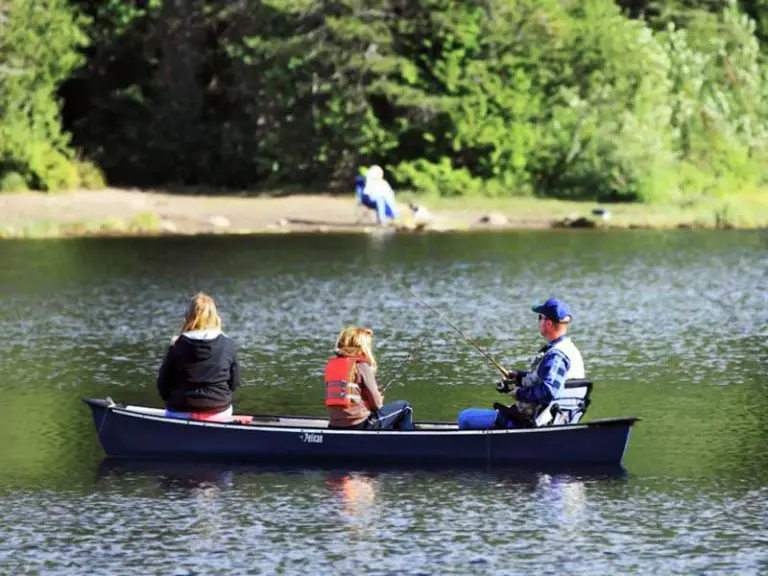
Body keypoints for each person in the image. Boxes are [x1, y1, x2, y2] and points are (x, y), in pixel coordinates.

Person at [457, 298, 585, 429]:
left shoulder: (557, 355)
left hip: (534, 422)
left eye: (539, 318)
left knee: (465, 417)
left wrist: (517, 393)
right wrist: (518, 377)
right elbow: (545, 380)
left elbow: (548, 391)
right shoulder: (569, 349)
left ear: (549, 324)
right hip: (552, 419)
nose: (538, 322)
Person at [157, 292, 240, 422]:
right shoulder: (227, 345)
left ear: (188, 316)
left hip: (180, 411)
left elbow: (163, 384)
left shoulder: (177, 345)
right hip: (219, 412)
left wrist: (175, 401)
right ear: (214, 316)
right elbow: (234, 383)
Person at [325, 326, 414, 430]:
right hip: (360, 424)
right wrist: (379, 399)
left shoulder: (332, 366)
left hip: (334, 424)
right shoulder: (361, 366)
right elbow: (377, 405)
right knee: (405, 407)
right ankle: (406, 442)